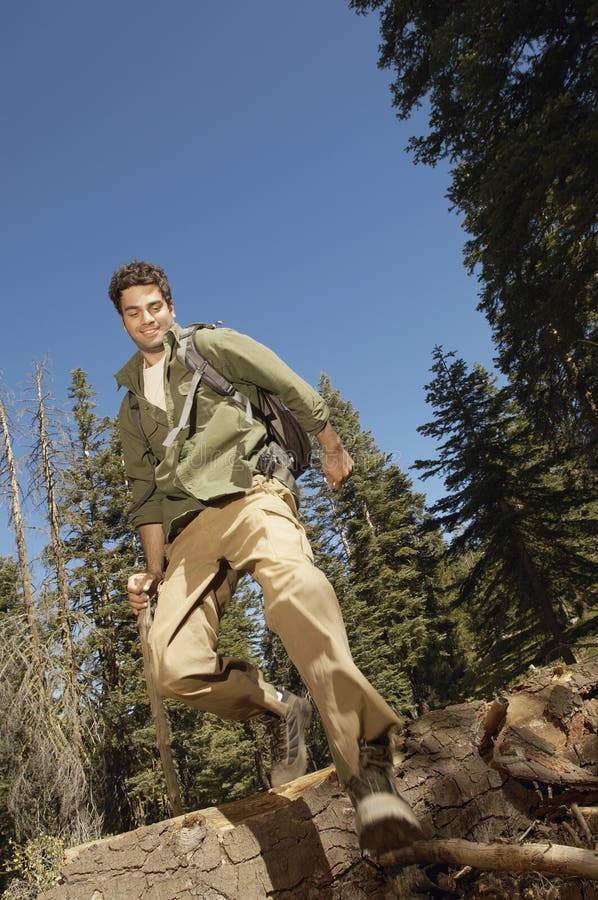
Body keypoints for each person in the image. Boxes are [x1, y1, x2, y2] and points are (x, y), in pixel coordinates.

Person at [109, 259, 422, 853]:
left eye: (154, 306)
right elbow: (145, 495)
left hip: (253, 493)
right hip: (188, 534)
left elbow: (285, 382)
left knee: (296, 592)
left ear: (169, 307)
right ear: (123, 323)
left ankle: (368, 771)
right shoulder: (129, 408)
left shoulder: (210, 345)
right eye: (133, 312)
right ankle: (280, 710)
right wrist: (152, 572)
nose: (146, 319)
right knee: (169, 666)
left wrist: (331, 443)